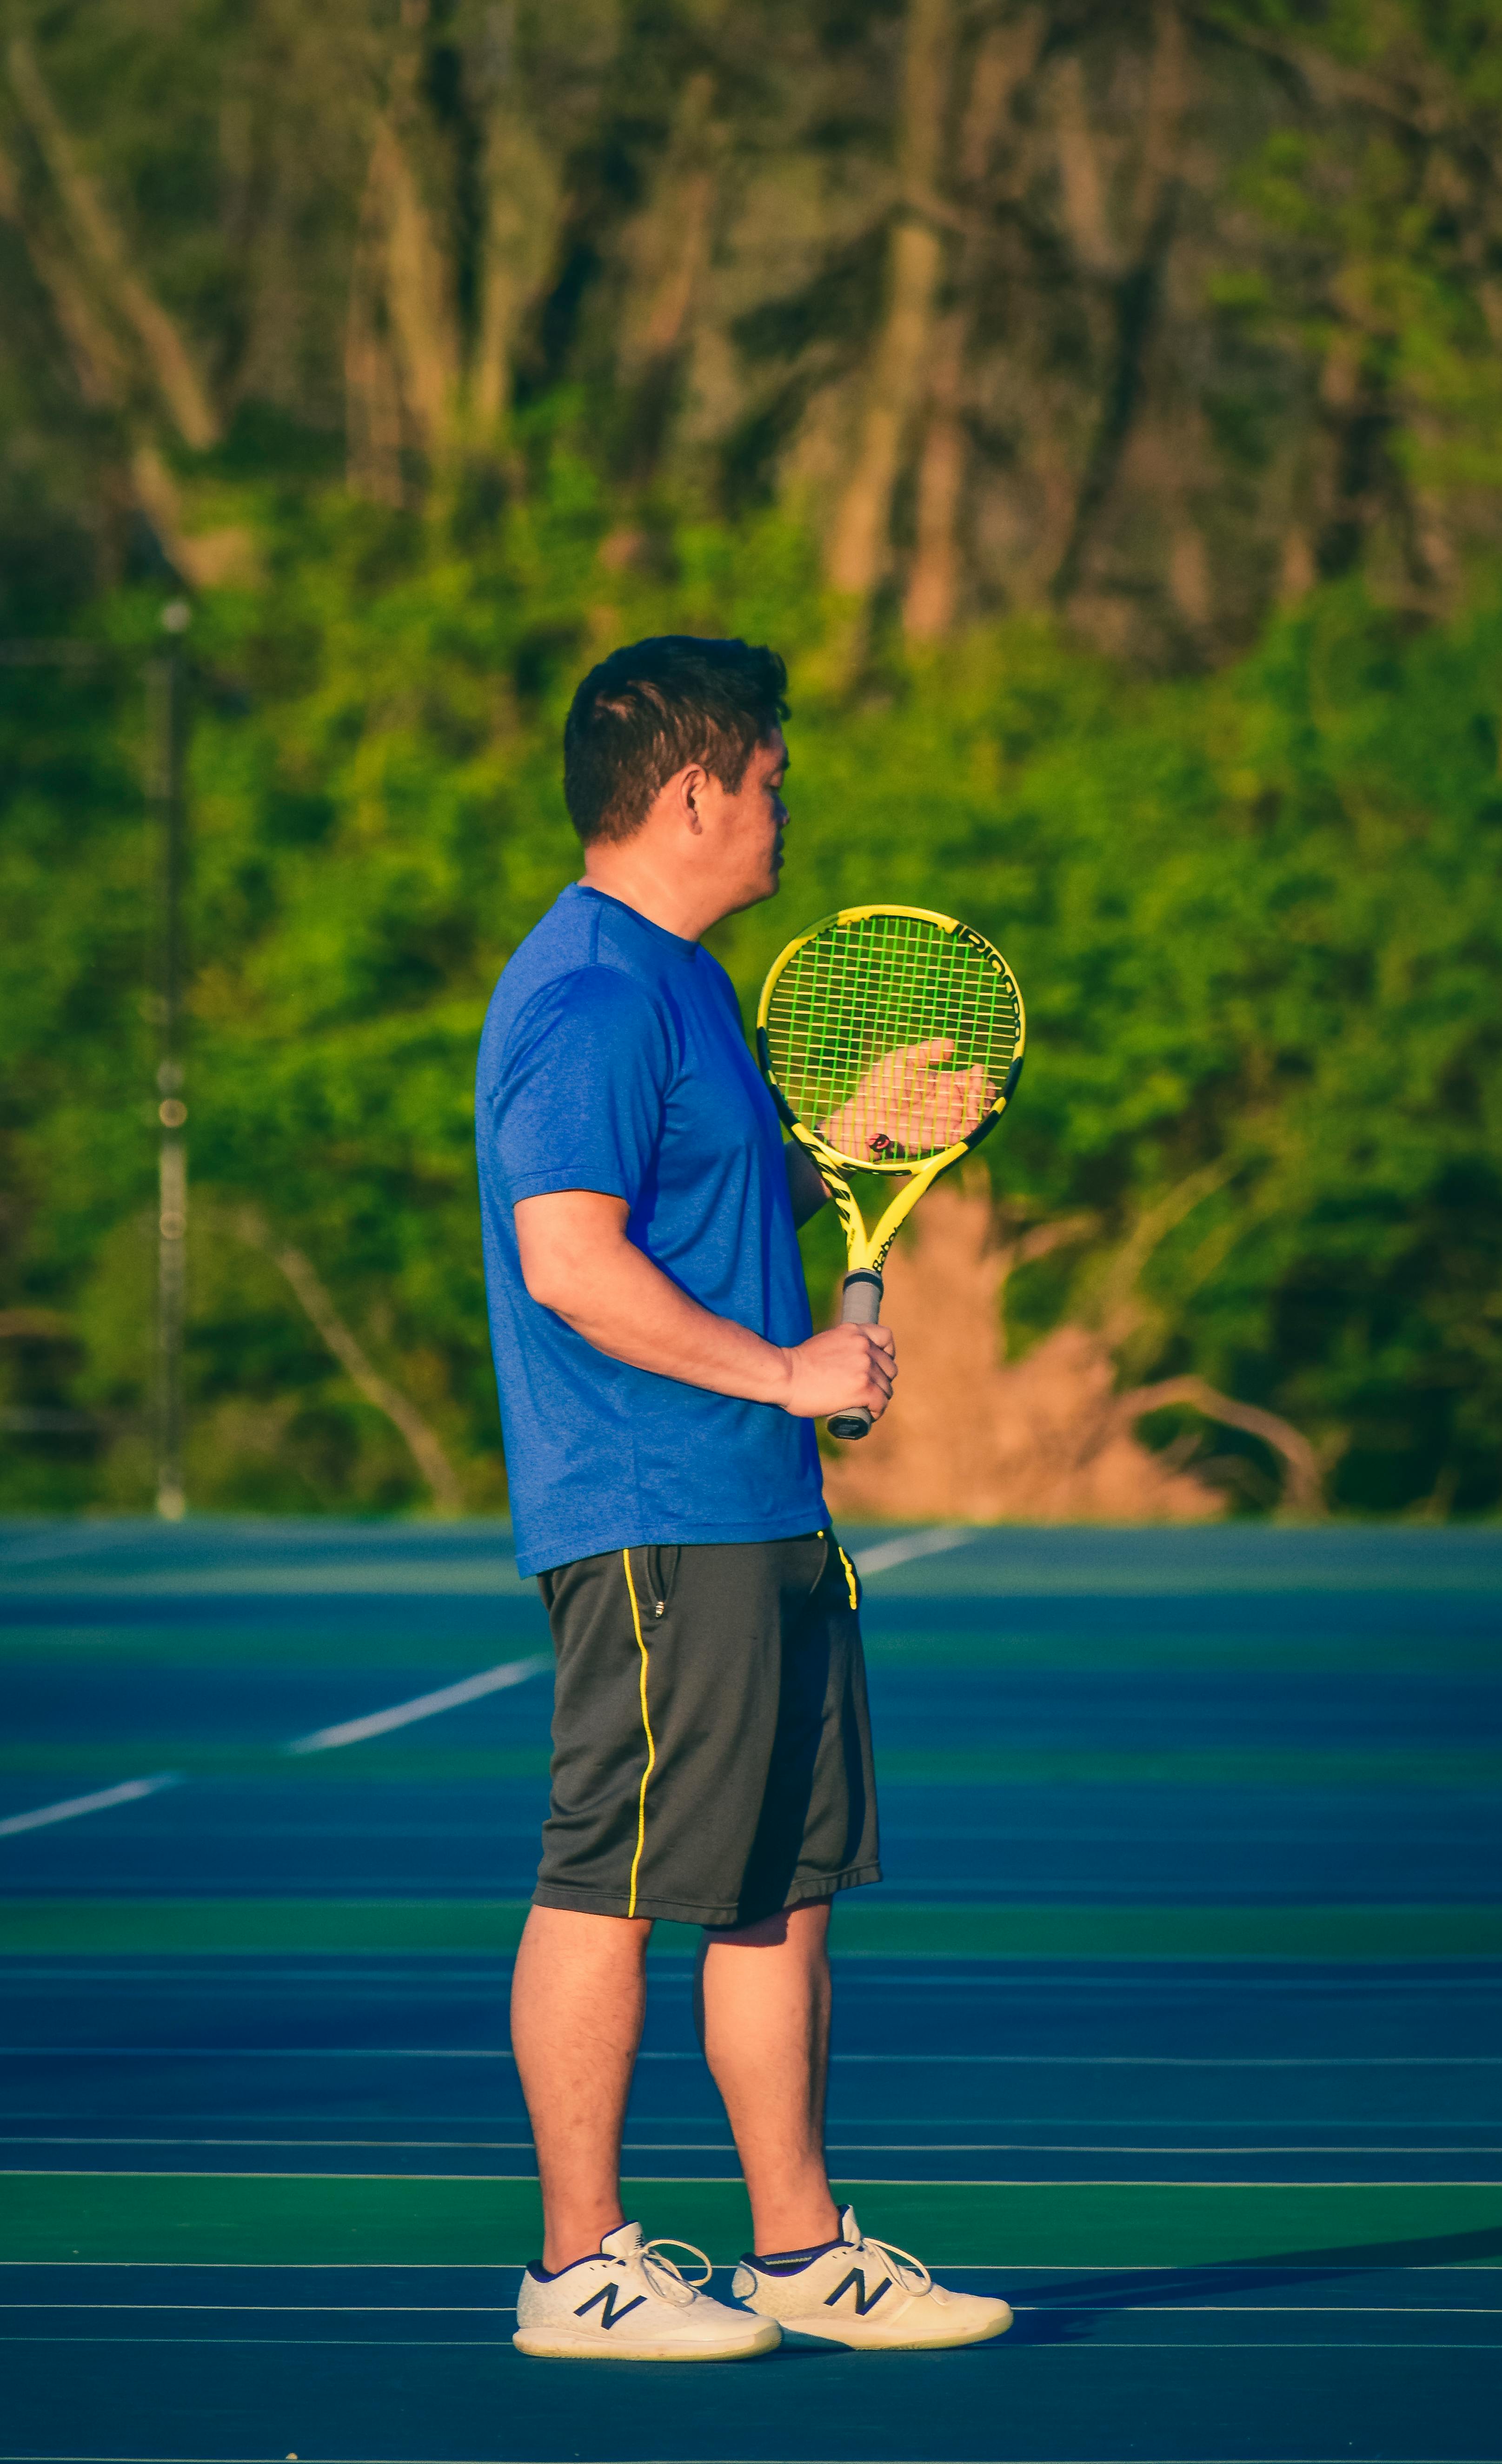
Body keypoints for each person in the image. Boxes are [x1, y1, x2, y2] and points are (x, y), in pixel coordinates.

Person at [475, 635, 1011, 2360]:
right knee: (611, 1878)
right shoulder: (592, 990)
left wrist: (850, 1133)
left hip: (759, 1507)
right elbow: (570, 1259)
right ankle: (581, 2267)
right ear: (695, 790)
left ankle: (799, 2251)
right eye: (773, 780)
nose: (788, 807)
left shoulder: (689, 982)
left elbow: (711, 1188)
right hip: (652, 1511)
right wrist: (789, 1370)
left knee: (780, 1887)